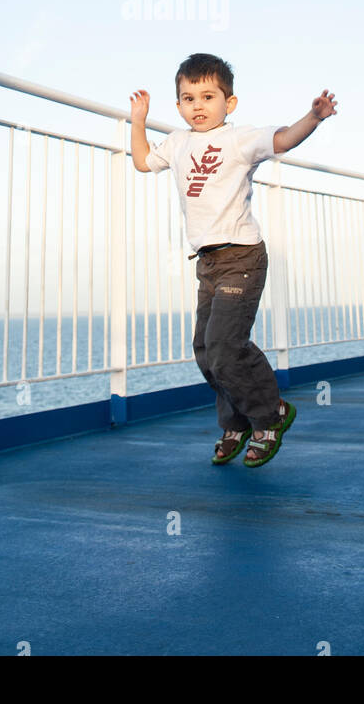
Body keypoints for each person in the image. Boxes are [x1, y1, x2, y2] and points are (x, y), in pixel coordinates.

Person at [129, 52, 338, 468]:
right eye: (189, 99)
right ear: (179, 106)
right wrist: (138, 120)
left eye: (208, 96)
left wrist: (312, 118)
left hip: (242, 256)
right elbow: (141, 162)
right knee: (206, 351)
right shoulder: (177, 141)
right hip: (206, 262)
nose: (198, 106)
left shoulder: (239, 139)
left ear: (230, 102)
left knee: (226, 345)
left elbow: (282, 139)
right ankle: (236, 423)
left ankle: (270, 416)